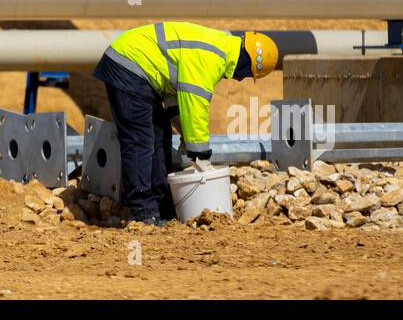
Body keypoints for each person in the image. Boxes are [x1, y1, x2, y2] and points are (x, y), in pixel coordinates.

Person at [92, 22, 279, 225]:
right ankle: (142, 213)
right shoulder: (212, 58)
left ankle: (160, 208)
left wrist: (184, 133)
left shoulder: (219, 48)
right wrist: (200, 155)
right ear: (246, 62)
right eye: (247, 74)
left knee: (160, 136)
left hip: (137, 67)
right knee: (140, 141)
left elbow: (176, 99)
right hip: (129, 65)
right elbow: (194, 105)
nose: (242, 79)